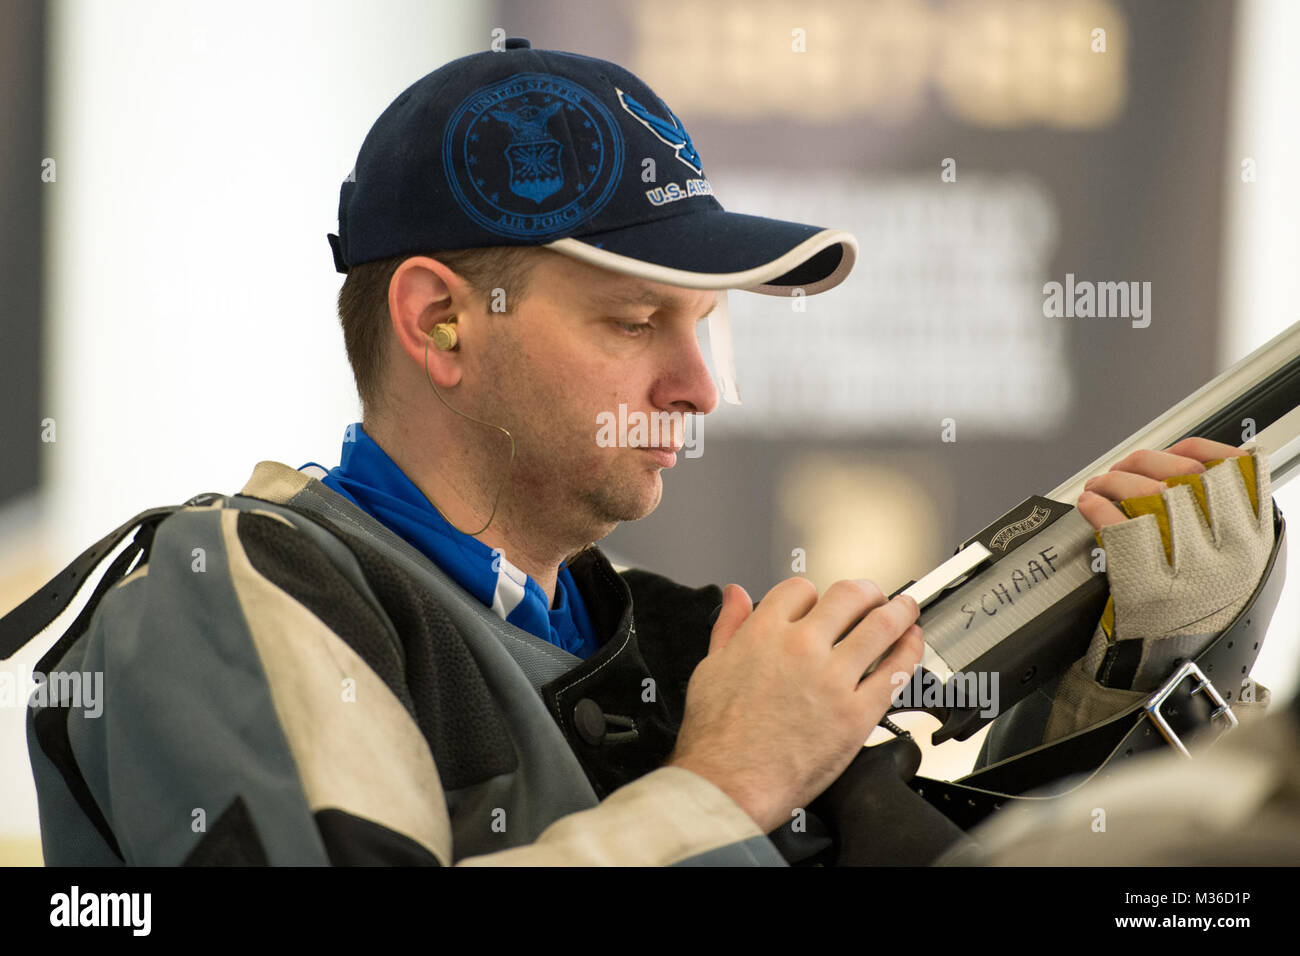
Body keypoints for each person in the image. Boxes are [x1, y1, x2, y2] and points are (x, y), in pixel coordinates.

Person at [16, 39, 1274, 866]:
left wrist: (1150, 664)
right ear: (438, 321)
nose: (701, 388)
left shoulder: (669, 642)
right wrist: (732, 780)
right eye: (635, 321)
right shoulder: (226, 586)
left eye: (708, 326)